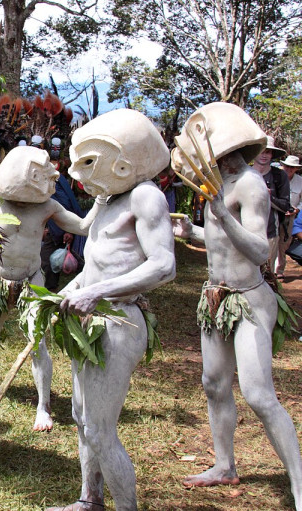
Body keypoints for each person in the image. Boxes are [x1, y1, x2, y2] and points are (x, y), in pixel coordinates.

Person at [171, 103, 302, 511]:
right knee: (213, 384)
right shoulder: (217, 187)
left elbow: (259, 247)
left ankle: (300, 485)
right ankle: (224, 465)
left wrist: (222, 217)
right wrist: (189, 229)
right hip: (215, 299)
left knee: (259, 394)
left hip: (248, 300)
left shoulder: (251, 185)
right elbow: (218, 240)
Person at [45, 109, 175, 511]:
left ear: (123, 161)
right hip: (89, 319)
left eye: (88, 164)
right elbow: (94, 264)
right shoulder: (106, 200)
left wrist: (97, 291)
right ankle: (90, 499)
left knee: (100, 429)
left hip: (119, 320)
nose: (77, 174)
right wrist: (64, 294)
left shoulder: (144, 195)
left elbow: (164, 266)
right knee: (81, 417)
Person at [0, 145, 96, 433]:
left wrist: (103, 197)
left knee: (37, 344)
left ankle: (43, 406)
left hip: (32, 280)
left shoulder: (47, 206)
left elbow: (83, 226)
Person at [251, 136, 290, 276]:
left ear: (272, 154)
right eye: (261, 150)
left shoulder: (279, 176)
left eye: (268, 152)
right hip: (244, 233)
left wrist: (268, 196)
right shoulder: (243, 174)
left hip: (269, 234)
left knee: (266, 275)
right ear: (255, 152)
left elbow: (286, 206)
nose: (264, 155)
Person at [277, 155, 302, 278]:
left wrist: (296, 210)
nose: (289, 169)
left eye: (292, 167)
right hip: (275, 214)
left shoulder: (300, 181)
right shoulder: (276, 177)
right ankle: (270, 270)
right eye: (287, 166)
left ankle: (279, 270)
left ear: (296, 169)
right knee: (271, 241)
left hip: (291, 216)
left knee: (284, 243)